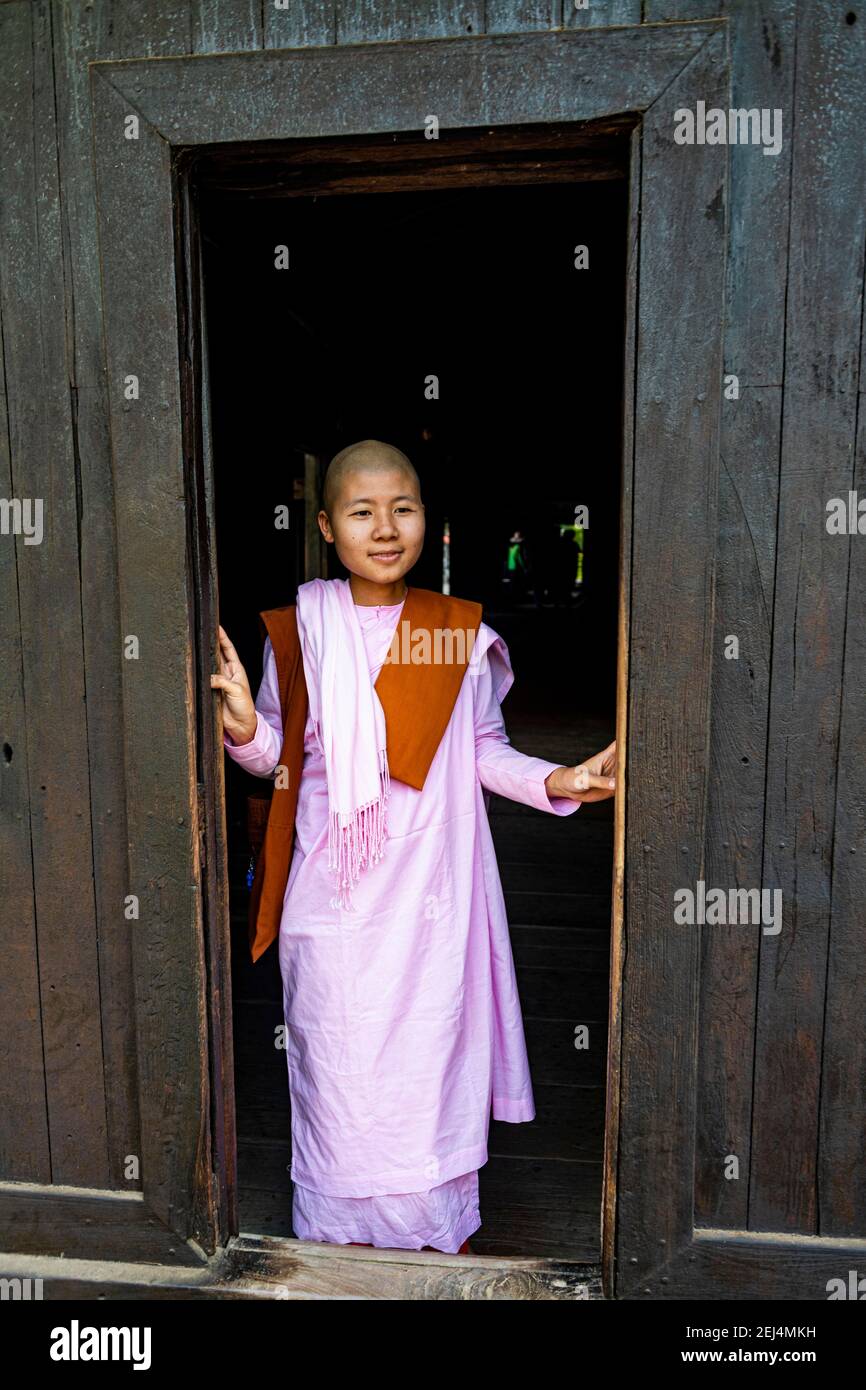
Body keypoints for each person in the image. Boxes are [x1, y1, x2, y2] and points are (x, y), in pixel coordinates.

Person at [212, 439, 616, 1258]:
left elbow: (482, 749)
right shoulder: (297, 632)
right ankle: (337, 1234)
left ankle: (430, 1230)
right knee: (335, 1055)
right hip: (331, 892)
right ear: (327, 525)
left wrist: (561, 780)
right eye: (362, 511)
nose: (385, 527)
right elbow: (276, 759)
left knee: (430, 1055)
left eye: (403, 508)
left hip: (431, 896)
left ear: (427, 520)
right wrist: (248, 731)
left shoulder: (452, 631)